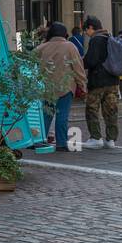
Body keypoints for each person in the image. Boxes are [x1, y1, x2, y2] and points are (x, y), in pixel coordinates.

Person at [36, 22, 86, 151]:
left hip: (46, 87)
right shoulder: (70, 46)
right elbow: (77, 67)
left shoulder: (41, 47)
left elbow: (31, 64)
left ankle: (41, 140)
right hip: (65, 87)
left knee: (46, 115)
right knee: (62, 116)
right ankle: (62, 143)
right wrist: (83, 85)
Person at [81, 15, 120, 148]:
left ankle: (95, 138)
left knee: (92, 109)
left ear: (91, 27)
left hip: (98, 81)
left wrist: (81, 61)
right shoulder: (109, 37)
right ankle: (111, 139)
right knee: (111, 110)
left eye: (86, 30)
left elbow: (90, 61)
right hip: (113, 81)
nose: (85, 33)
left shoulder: (96, 40)